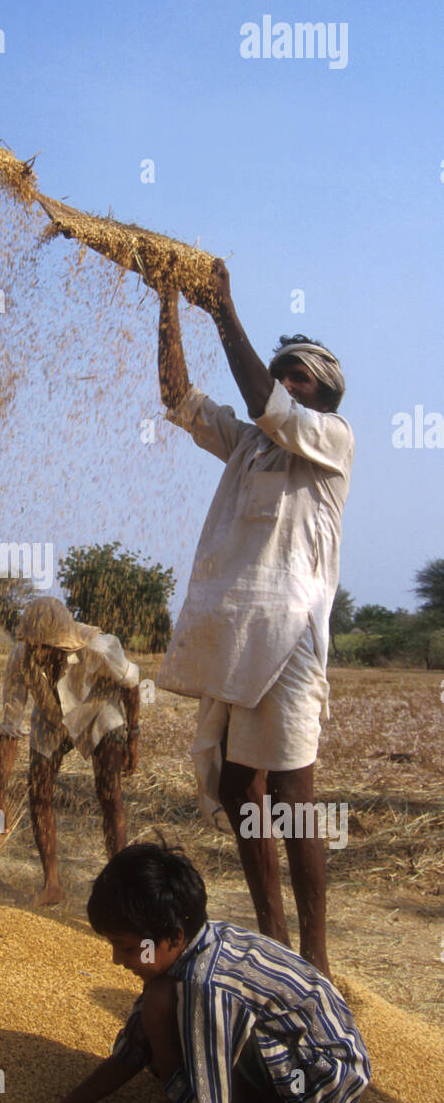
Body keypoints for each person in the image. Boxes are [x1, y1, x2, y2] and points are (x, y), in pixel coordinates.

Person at [154, 264, 354, 976]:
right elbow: (178, 398)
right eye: (281, 373)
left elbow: (267, 403)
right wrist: (169, 299)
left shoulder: (331, 439)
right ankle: (273, 933)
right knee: (241, 789)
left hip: (290, 638)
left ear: (321, 392)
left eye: (295, 376)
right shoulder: (248, 444)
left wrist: (224, 307)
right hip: (236, 641)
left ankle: (318, 957)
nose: (283, 381)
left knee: (295, 792)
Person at [0, 843, 370, 1103]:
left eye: (127, 949)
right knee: (160, 1013)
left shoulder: (203, 986)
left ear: (173, 936)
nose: (116, 960)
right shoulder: (198, 939)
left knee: (161, 1006)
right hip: (329, 1059)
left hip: (324, 1076)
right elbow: (131, 1053)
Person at [0, 596, 140, 906]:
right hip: (50, 718)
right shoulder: (20, 657)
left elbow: (131, 684)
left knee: (110, 796)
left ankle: (120, 888)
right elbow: (9, 728)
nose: (38, 653)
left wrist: (133, 736)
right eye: (33, 646)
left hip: (99, 712)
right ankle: (52, 885)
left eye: (44, 647)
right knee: (39, 795)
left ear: (62, 645)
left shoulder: (99, 649)